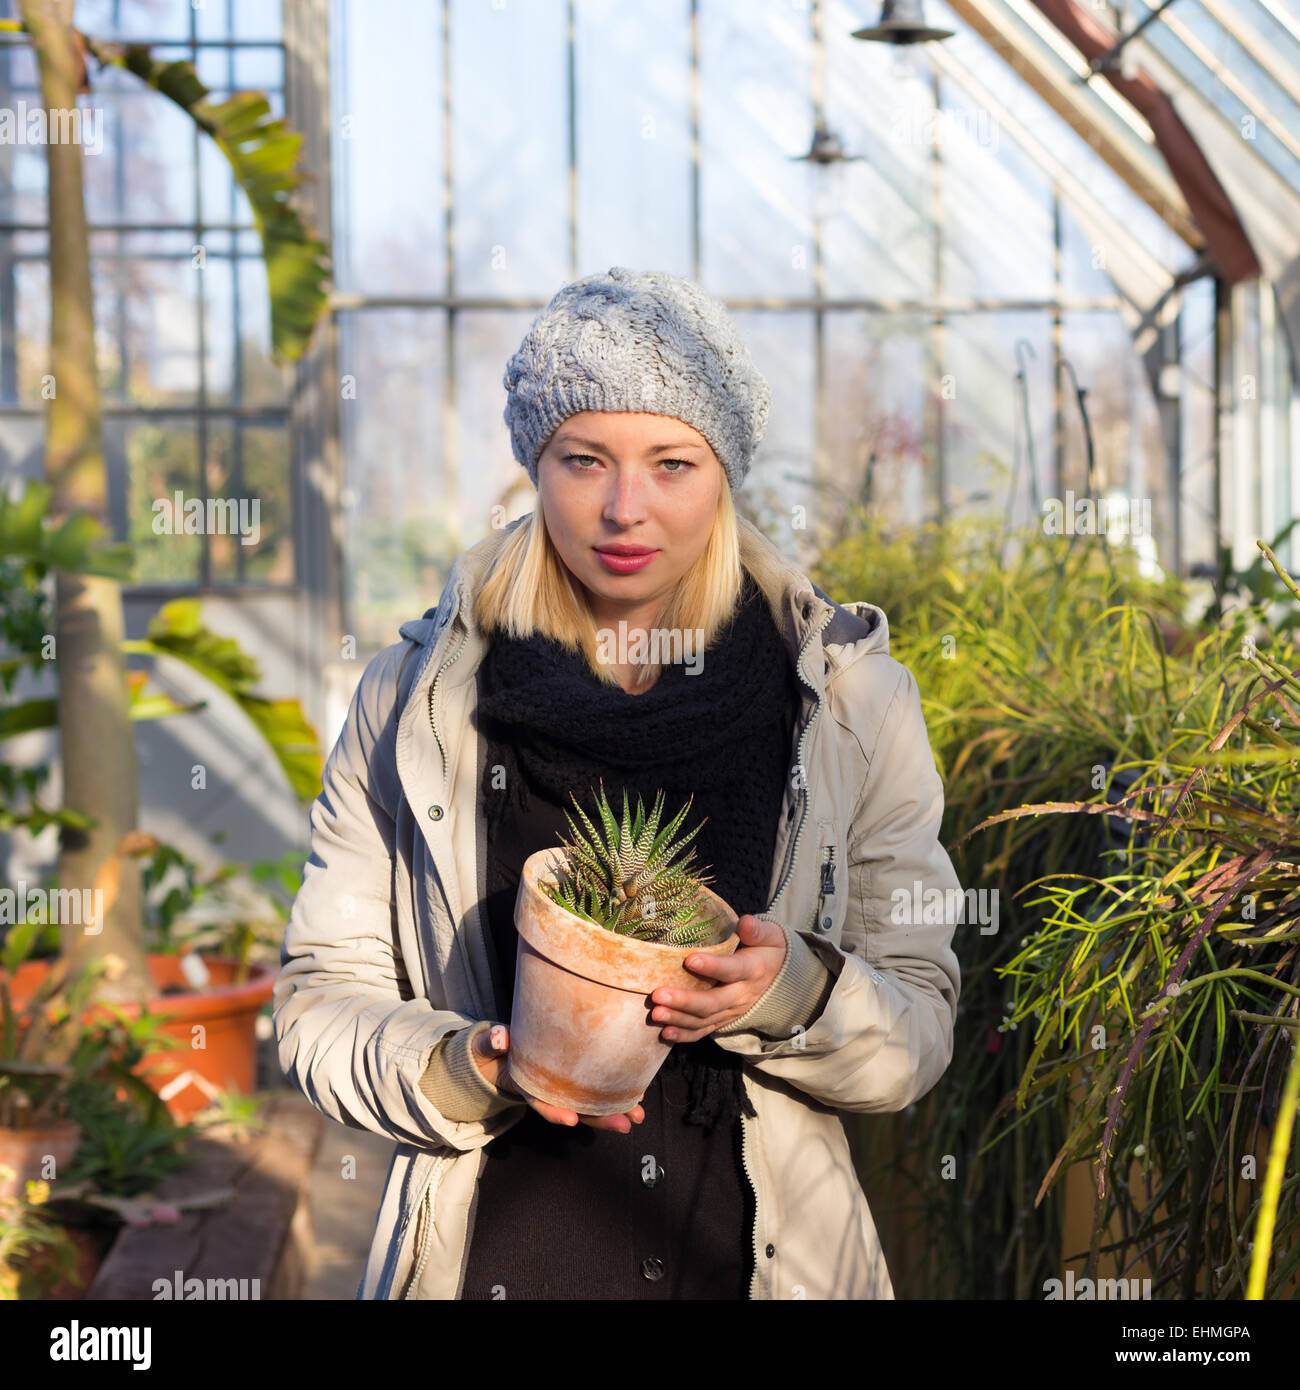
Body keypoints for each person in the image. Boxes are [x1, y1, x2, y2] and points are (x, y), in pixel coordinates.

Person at [273, 266, 963, 1300]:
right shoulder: (415, 701)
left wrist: (791, 990)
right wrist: (470, 1067)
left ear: (725, 472)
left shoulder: (850, 703)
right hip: (490, 1254)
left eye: (672, 463)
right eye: (583, 459)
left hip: (753, 1263)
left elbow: (915, 1030)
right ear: (535, 464)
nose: (623, 508)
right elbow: (317, 1003)